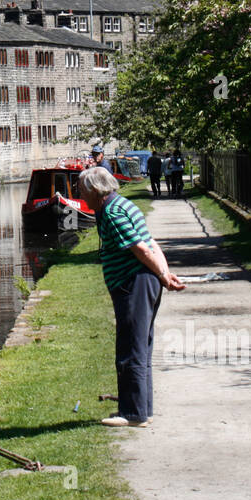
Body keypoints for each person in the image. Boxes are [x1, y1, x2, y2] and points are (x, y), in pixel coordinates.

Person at [78, 166, 184, 426]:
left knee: (130, 348)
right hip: (141, 282)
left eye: (82, 190)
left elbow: (140, 247)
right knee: (141, 347)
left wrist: (162, 275)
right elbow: (151, 241)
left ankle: (133, 414)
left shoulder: (113, 214)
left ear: (94, 190)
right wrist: (165, 274)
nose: (80, 195)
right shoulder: (125, 205)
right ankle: (140, 409)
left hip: (133, 284)